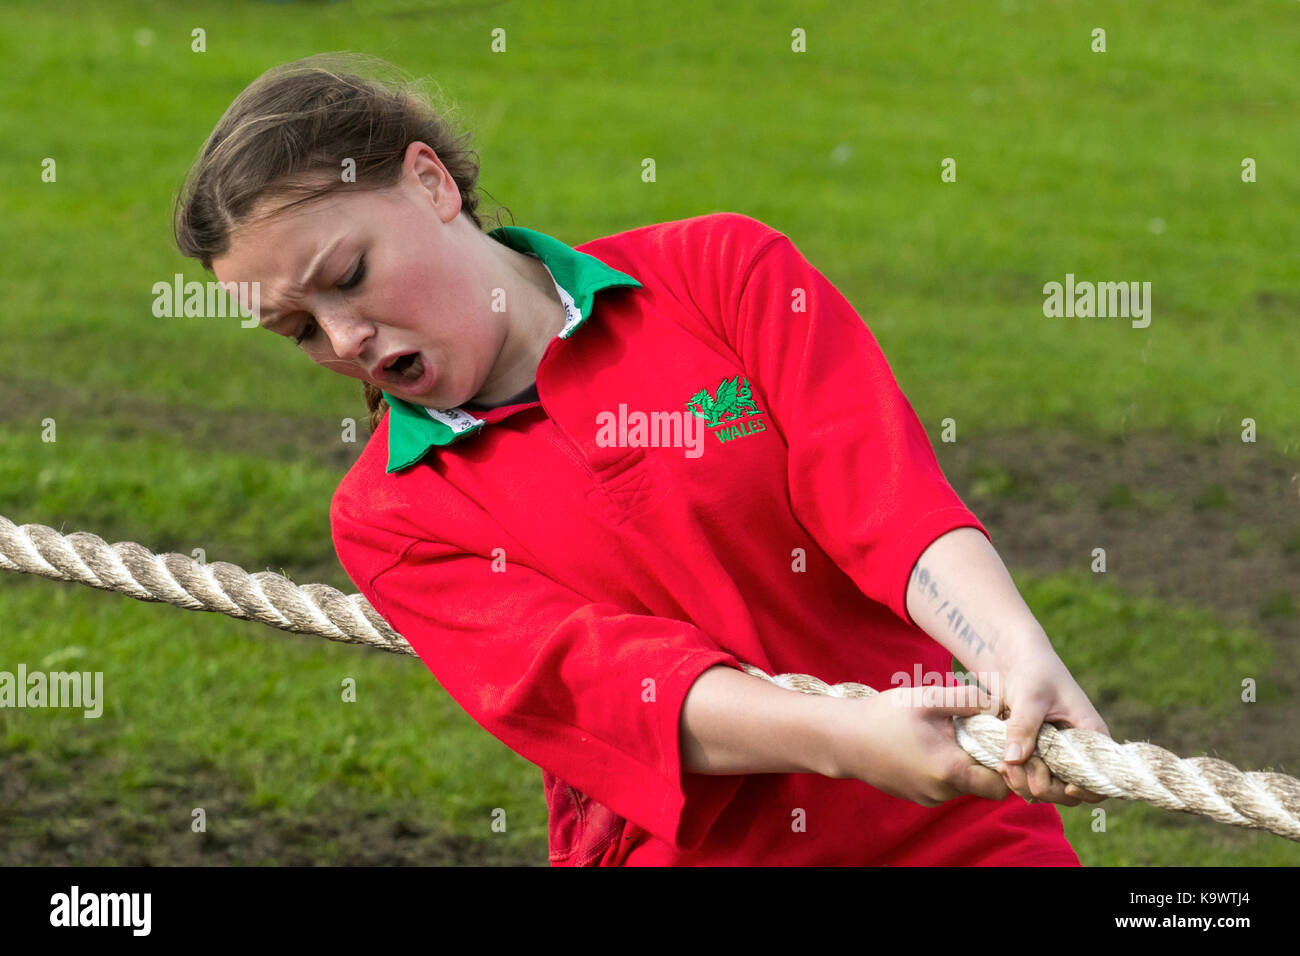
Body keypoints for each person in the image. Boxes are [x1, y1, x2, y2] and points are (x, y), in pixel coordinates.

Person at [174, 52, 1111, 866]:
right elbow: (609, 684)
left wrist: (1008, 648)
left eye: (347, 277)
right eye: (298, 329)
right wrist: (846, 738)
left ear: (431, 183)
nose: (344, 339)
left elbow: (881, 494)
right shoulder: (389, 516)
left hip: (965, 837)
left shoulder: (722, 274)